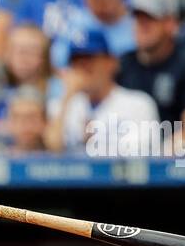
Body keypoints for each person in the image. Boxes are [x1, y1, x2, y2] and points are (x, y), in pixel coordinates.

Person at [117, 0, 185, 137]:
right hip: (128, 149)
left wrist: (157, 157)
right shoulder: (122, 65)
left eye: (149, 19)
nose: (141, 26)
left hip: (175, 155)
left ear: (171, 23)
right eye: (136, 18)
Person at [48, 28, 159, 156]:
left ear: (111, 62)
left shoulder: (138, 104)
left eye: (89, 60)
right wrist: (67, 97)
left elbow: (143, 154)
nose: (83, 68)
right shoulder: (62, 106)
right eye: (77, 62)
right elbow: (51, 150)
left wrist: (94, 142)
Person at [3, 84, 49, 153]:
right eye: (18, 117)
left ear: (44, 121)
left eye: (31, 118)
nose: (24, 124)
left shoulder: (60, 157)